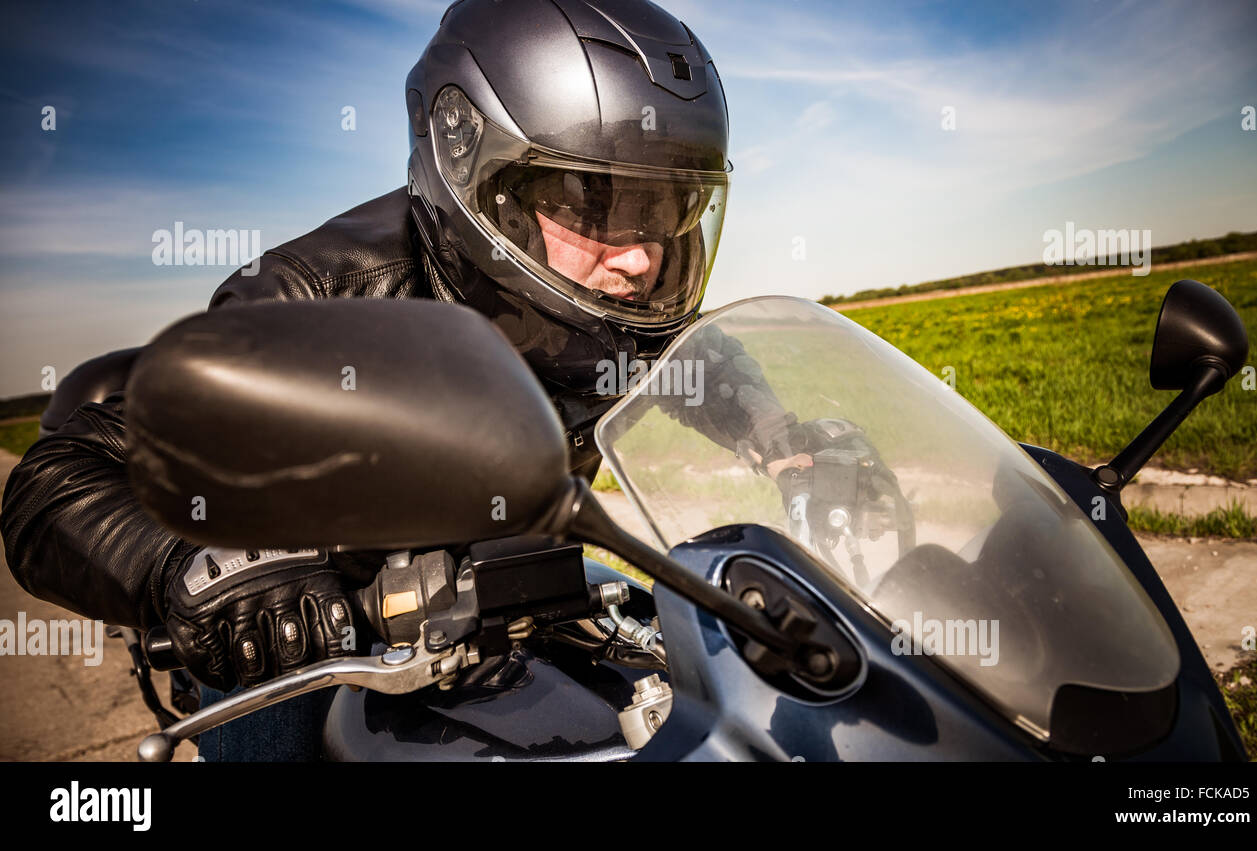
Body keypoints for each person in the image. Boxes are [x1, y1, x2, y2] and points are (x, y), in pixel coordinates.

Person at [1, 0, 806, 760]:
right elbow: (55, 482)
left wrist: (789, 445)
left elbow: (696, 356)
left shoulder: (617, 300)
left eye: (664, 210)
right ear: (484, 176)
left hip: (529, 576)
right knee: (279, 739)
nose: (639, 255)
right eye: (595, 203)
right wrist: (181, 564)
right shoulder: (312, 302)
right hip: (320, 621)